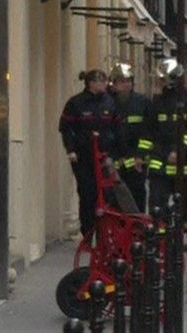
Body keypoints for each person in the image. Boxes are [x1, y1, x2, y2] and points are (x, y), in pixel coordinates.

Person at [59, 69, 118, 237]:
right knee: (87, 194)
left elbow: (116, 128)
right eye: (102, 82)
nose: (105, 85)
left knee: (107, 194)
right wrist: (70, 150)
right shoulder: (76, 103)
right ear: (92, 83)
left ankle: (104, 232)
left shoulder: (110, 102)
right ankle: (88, 231)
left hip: (105, 156)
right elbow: (65, 128)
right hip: (83, 157)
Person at [144, 58, 187, 215]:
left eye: (161, 79)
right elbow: (149, 131)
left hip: (182, 163)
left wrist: (179, 150)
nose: (159, 82)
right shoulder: (157, 102)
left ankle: (182, 234)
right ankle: (159, 235)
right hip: (159, 163)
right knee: (157, 206)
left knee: (184, 207)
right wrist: (143, 155)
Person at [108, 62, 151, 212]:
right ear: (113, 84)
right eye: (121, 81)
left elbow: (148, 132)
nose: (125, 85)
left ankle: (138, 230)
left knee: (137, 195)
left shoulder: (142, 102)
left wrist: (140, 155)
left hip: (136, 161)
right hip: (115, 161)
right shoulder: (108, 103)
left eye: (128, 81)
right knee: (115, 199)